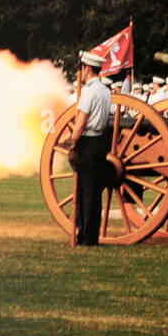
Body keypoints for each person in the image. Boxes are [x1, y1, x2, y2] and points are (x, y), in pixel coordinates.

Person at [64, 51, 112, 246]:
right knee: (94, 193)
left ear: (88, 68)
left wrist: (72, 140)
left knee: (86, 192)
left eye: (83, 69)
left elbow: (81, 120)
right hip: (100, 143)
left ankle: (86, 237)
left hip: (88, 143)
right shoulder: (106, 91)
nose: (82, 73)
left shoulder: (89, 91)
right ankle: (90, 234)